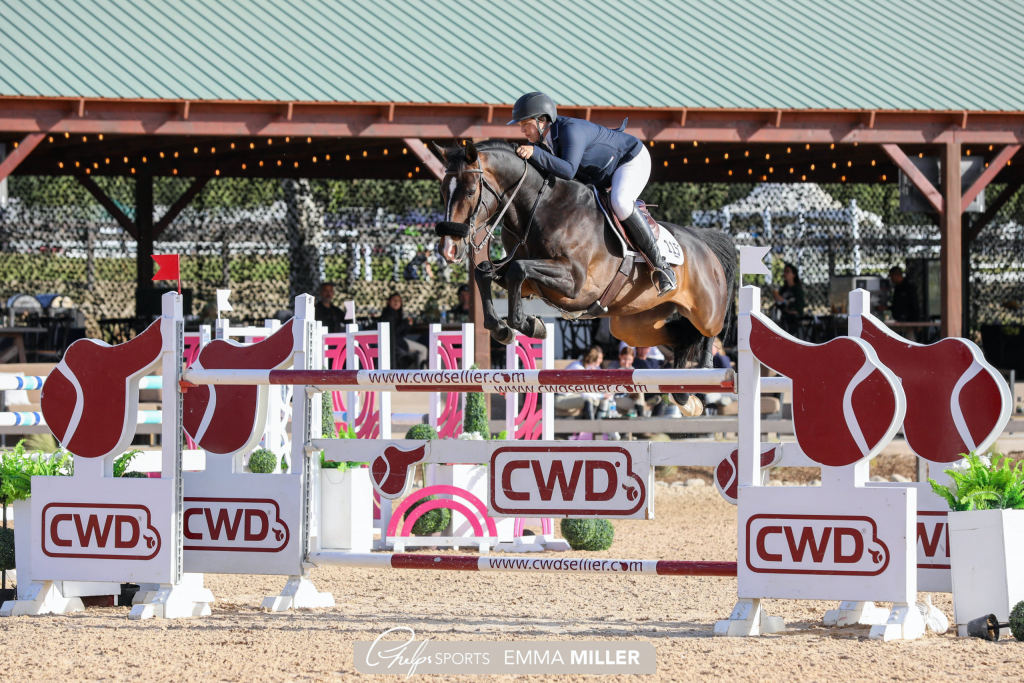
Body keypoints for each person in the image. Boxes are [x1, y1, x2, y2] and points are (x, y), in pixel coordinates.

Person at [507, 91, 677, 296]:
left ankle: (661, 267)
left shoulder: (571, 131)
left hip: (630, 160)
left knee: (621, 202)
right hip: (598, 176)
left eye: (526, 124)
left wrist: (536, 154)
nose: (523, 130)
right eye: (520, 125)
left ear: (542, 120)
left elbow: (568, 170)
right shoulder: (542, 142)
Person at [554, 346, 610, 420]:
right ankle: (591, 427)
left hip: (571, 394)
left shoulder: (587, 366)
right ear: (592, 360)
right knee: (588, 400)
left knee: (597, 400)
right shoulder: (577, 368)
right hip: (559, 398)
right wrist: (602, 396)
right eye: (598, 359)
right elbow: (584, 393)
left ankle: (598, 424)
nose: (600, 361)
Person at [377, 293, 427, 368]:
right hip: (395, 344)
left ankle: (420, 374)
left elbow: (402, 333)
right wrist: (405, 322)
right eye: (394, 300)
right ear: (388, 301)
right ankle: (423, 376)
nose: (397, 302)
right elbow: (393, 332)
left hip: (398, 343)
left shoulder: (395, 314)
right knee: (423, 349)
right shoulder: (388, 314)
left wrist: (408, 325)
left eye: (399, 301)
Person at [771, 262, 804, 336]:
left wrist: (784, 301)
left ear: (794, 274)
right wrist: (778, 300)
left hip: (795, 319)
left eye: (788, 271)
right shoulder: (783, 289)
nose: (785, 273)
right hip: (784, 318)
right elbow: (780, 306)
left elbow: (800, 305)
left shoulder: (797, 289)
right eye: (784, 271)